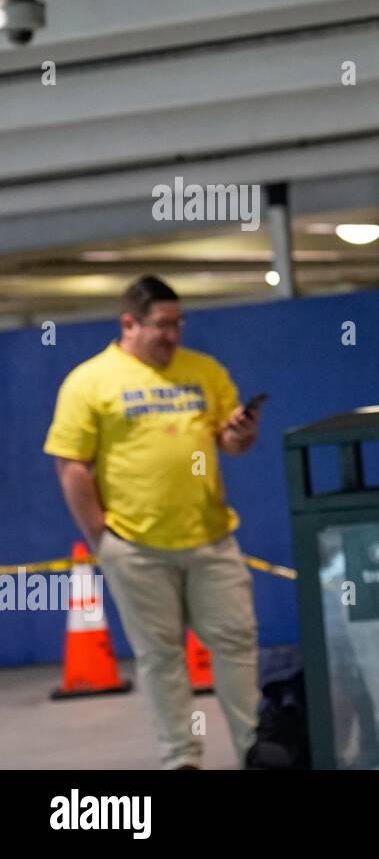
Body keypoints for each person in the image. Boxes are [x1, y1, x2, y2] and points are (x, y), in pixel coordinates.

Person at [45, 275, 262, 769]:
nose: (172, 335)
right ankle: (179, 757)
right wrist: (100, 537)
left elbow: (232, 444)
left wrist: (241, 434)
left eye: (178, 323)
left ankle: (257, 751)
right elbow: (71, 463)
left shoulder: (203, 371)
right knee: (160, 657)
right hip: (134, 544)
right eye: (162, 325)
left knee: (237, 643)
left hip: (210, 539)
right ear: (129, 323)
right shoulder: (89, 381)